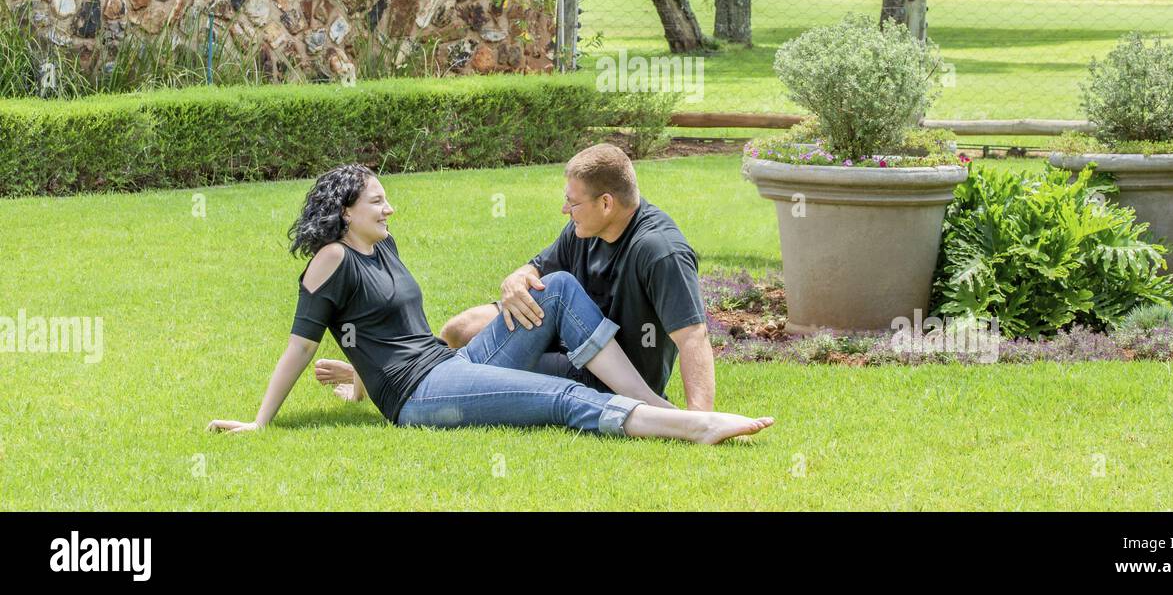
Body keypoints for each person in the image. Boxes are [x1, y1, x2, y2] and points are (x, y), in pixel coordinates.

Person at [207, 164, 773, 445]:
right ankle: (688, 427)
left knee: (557, 291)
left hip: (448, 366)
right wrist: (260, 423)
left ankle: (659, 404)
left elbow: (389, 330)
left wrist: (357, 378)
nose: (391, 210)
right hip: (419, 397)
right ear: (347, 211)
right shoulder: (330, 259)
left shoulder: (383, 247)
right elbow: (301, 345)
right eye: (379, 202)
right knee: (564, 396)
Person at [317, 143, 717, 410]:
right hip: (562, 339)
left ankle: (375, 377)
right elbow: (537, 268)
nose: (565, 209)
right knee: (461, 328)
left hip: (606, 374)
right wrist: (516, 278)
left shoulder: (658, 250)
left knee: (483, 373)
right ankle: (386, 374)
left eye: (572, 202)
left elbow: (692, 337)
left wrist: (700, 417)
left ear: (607, 203)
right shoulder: (584, 230)